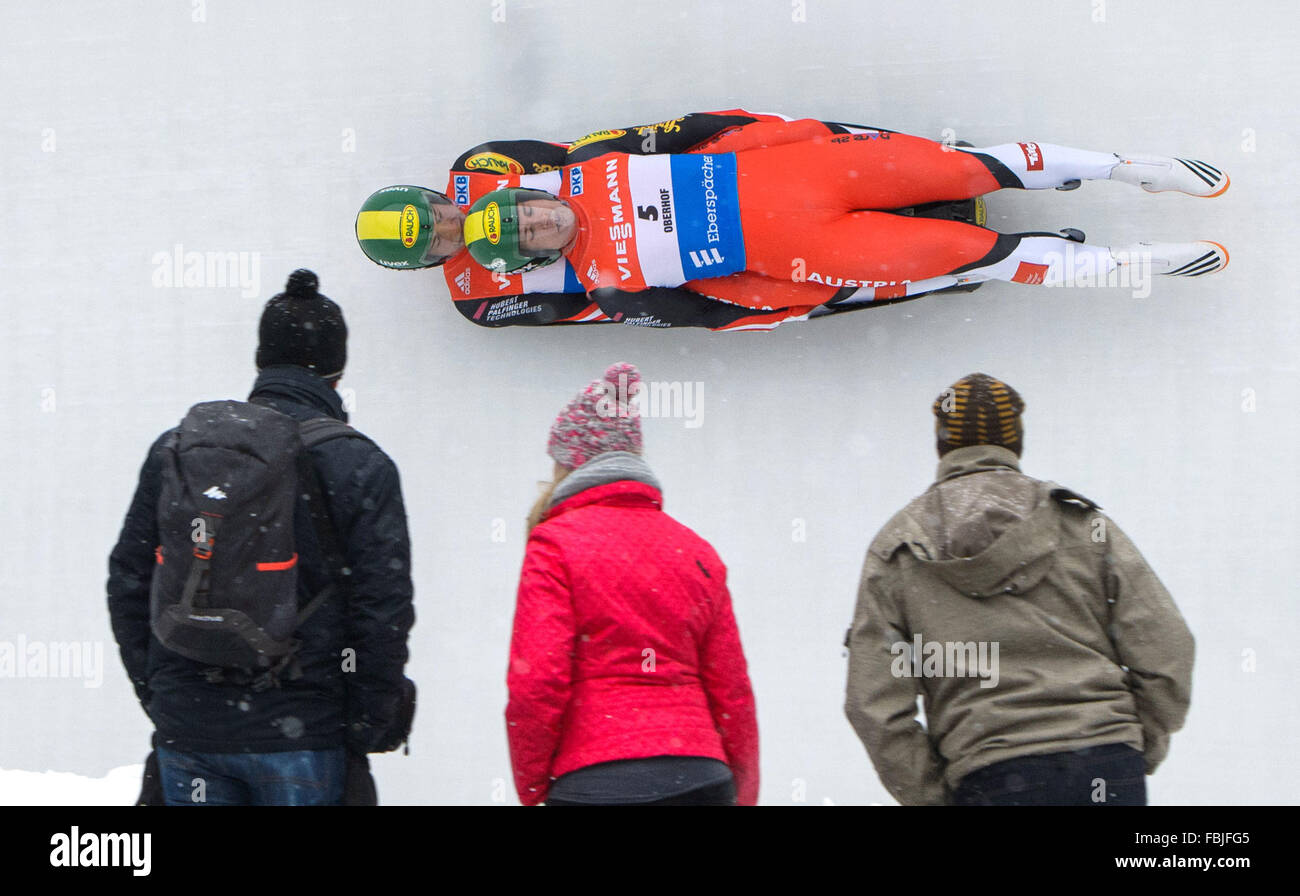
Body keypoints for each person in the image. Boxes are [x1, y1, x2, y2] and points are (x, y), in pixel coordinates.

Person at [108, 270, 416, 806]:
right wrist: (365, 720)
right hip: (304, 733)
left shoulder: (176, 451)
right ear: (337, 374)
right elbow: (382, 609)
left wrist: (163, 693)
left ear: (261, 364)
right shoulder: (359, 464)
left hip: (190, 732)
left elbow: (129, 582)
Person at [844, 373, 1195, 806]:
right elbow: (1167, 647)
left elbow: (873, 704)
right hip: (1106, 767)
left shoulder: (899, 549)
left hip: (990, 774)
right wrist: (1138, 741)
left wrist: (936, 795)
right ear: (1016, 442)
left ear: (941, 445)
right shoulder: (1082, 525)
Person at [355, 110, 1000, 331]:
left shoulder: (480, 166)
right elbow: (578, 311)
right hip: (659, 273)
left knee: (780, 162)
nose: (450, 223)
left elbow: (574, 156)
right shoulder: (479, 301)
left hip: (655, 198)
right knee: (784, 294)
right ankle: (935, 265)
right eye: (439, 239)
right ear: (435, 262)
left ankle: (920, 174)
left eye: (438, 212)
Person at [460, 133, 1228, 302]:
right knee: (983, 255)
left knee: (971, 167)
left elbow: (702, 127)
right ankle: (1146, 263)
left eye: (529, 211)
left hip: (808, 169)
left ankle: (1128, 170)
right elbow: (724, 303)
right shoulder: (604, 281)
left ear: (532, 191)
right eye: (531, 237)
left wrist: (805, 137)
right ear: (533, 257)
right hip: (815, 247)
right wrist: (810, 293)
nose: (543, 223)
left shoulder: (592, 164)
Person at [507, 363, 759, 806]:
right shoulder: (697, 552)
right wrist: (741, 789)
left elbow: (537, 683)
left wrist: (532, 788)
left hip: (595, 781)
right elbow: (732, 692)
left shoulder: (554, 544)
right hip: (700, 776)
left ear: (571, 466)